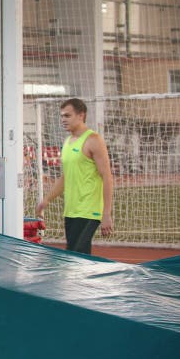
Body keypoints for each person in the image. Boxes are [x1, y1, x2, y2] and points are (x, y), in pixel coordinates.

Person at [35, 98, 114, 254]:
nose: (63, 120)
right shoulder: (68, 142)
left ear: (81, 115)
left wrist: (106, 213)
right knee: (73, 253)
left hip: (89, 210)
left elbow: (107, 177)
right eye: (62, 116)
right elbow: (65, 177)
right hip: (71, 210)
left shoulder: (93, 140)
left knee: (78, 254)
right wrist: (47, 199)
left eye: (67, 116)